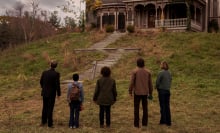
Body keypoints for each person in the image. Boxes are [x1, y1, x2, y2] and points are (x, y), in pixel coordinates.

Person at [129, 57, 153, 128]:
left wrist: (130, 91)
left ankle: (136, 124)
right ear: (143, 64)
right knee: (145, 108)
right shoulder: (148, 72)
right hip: (145, 93)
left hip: (137, 92)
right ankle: (144, 123)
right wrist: (150, 93)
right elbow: (150, 84)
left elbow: (132, 82)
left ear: (137, 64)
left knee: (136, 109)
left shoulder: (135, 72)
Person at [40, 60, 61, 128]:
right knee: (50, 108)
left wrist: (44, 88)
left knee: (44, 107)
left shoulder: (44, 72)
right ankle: (50, 124)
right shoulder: (56, 74)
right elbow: (57, 85)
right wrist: (58, 94)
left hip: (45, 92)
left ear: (50, 65)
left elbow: (41, 82)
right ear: (56, 66)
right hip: (52, 94)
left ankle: (43, 121)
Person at [156, 61, 172, 126]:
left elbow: (157, 82)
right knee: (167, 106)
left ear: (162, 66)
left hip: (162, 91)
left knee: (162, 106)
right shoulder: (169, 73)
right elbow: (170, 80)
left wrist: (157, 87)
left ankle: (163, 121)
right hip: (168, 91)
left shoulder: (160, 73)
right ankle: (169, 121)